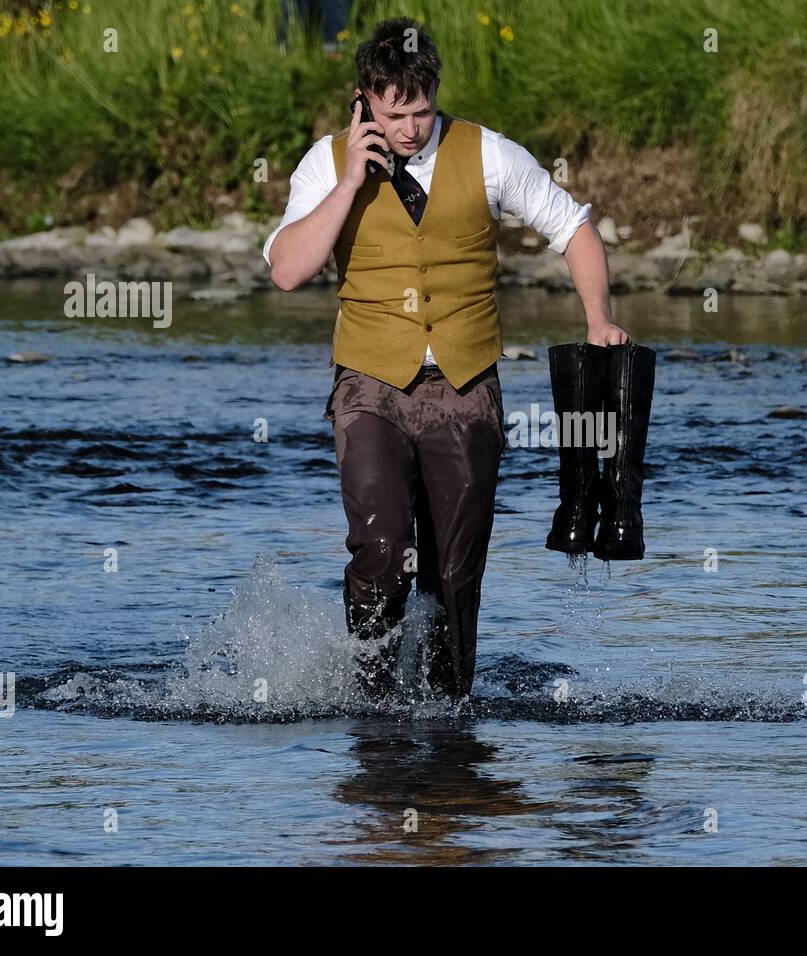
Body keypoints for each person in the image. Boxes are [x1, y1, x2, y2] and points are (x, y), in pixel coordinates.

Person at [263, 17, 633, 705]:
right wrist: (348, 184)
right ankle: (368, 698)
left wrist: (598, 319)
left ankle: (447, 715)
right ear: (364, 101)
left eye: (422, 110)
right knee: (379, 546)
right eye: (394, 113)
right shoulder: (324, 163)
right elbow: (286, 270)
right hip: (369, 386)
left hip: (465, 389)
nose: (409, 127)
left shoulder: (489, 154)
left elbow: (574, 226)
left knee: (455, 574)